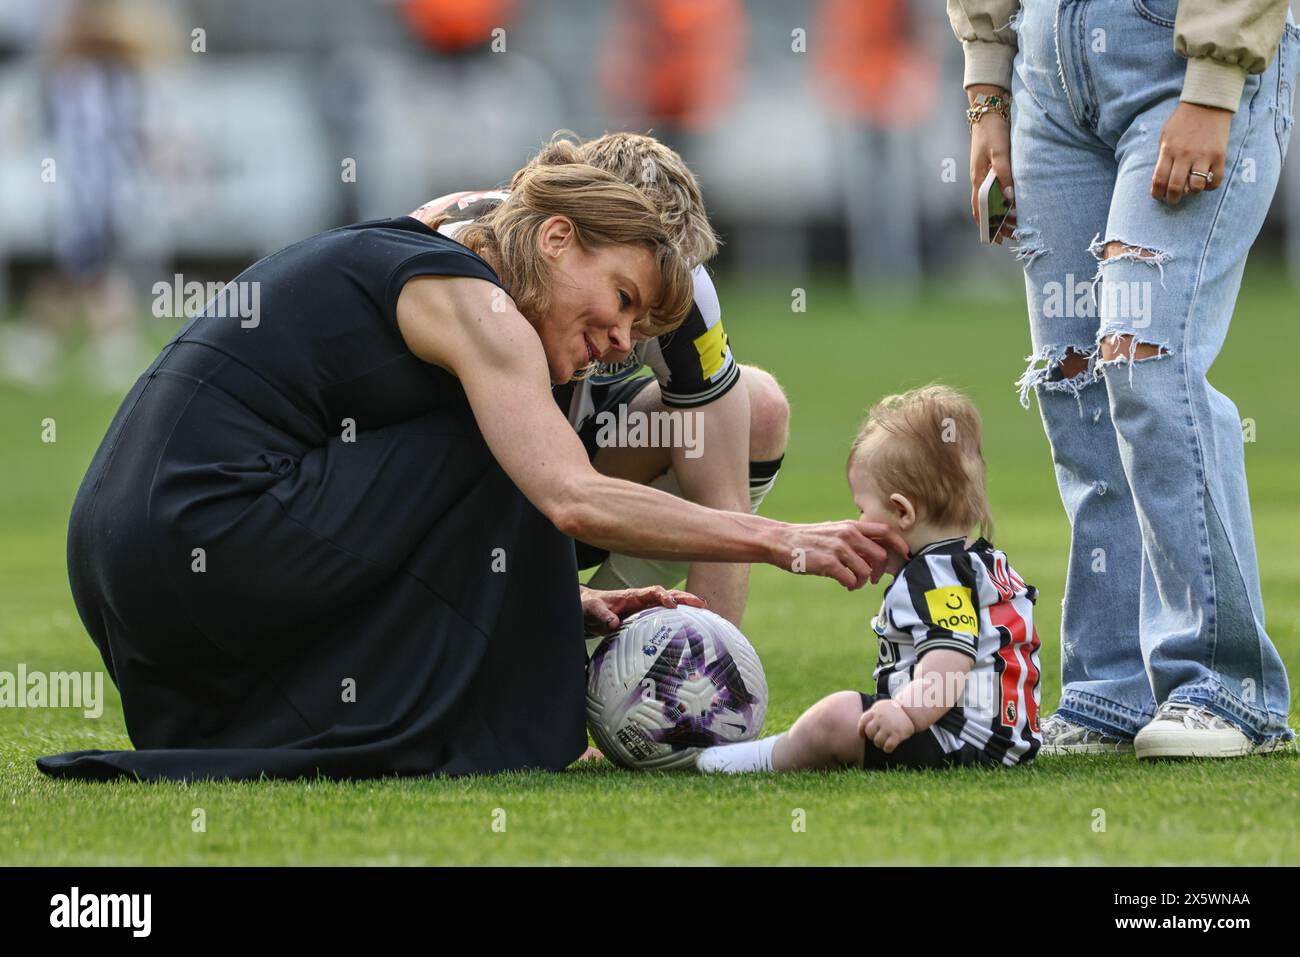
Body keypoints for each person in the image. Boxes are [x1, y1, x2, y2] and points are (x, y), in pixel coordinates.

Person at [39, 149, 908, 782]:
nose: (619, 341)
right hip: (202, 533)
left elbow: (393, 503)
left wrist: (560, 600)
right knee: (513, 443)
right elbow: (567, 497)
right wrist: (786, 539)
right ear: (560, 238)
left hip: (131, 557)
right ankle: (518, 698)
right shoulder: (483, 309)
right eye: (620, 301)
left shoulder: (461, 247)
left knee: (503, 437)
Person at [949, 0, 1297, 757]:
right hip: (1046, 66)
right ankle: (1110, 688)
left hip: (1178, 53)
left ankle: (1229, 684)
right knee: (1075, 386)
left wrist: (1212, 80)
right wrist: (989, 88)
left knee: (1146, 357)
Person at [411, 132, 788, 628]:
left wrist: (714, 674)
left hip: (572, 464)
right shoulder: (478, 255)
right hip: (434, 483)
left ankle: (608, 642)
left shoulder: (682, 287)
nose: (628, 341)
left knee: (755, 407)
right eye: (630, 293)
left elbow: (724, 505)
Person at [699, 386, 1041, 773]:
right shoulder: (978, 562)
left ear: (901, 511)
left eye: (862, 509)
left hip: (955, 738)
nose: (858, 521)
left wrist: (906, 713)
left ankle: (759, 759)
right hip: (1001, 741)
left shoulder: (934, 577)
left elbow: (952, 659)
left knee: (836, 716)